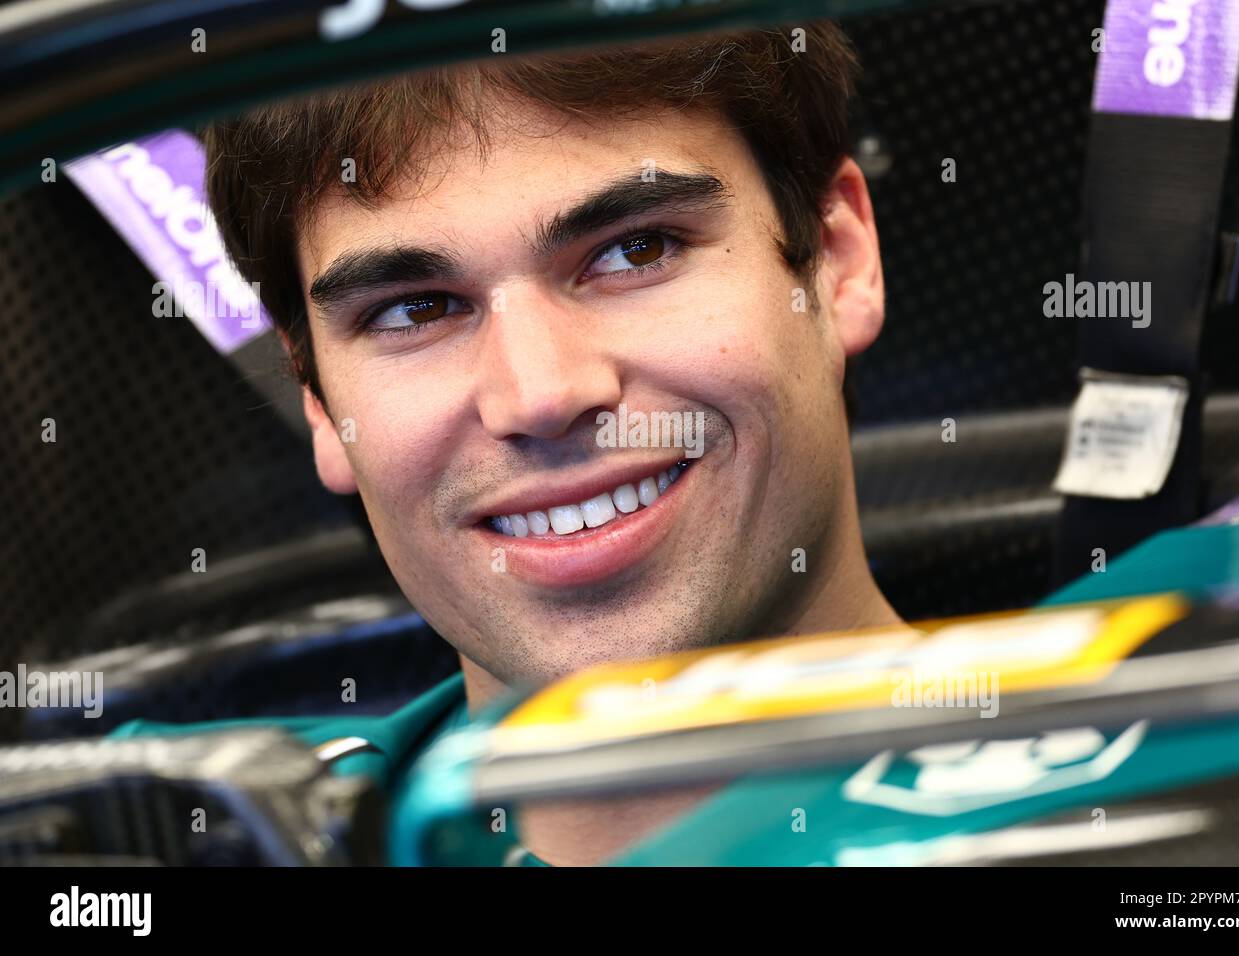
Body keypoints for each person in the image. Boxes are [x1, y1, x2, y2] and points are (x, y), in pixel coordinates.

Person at [116, 21, 902, 865]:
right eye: (415, 310)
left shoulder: (1063, 790)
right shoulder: (154, 834)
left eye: (634, 252)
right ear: (316, 398)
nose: (540, 395)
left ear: (837, 262)